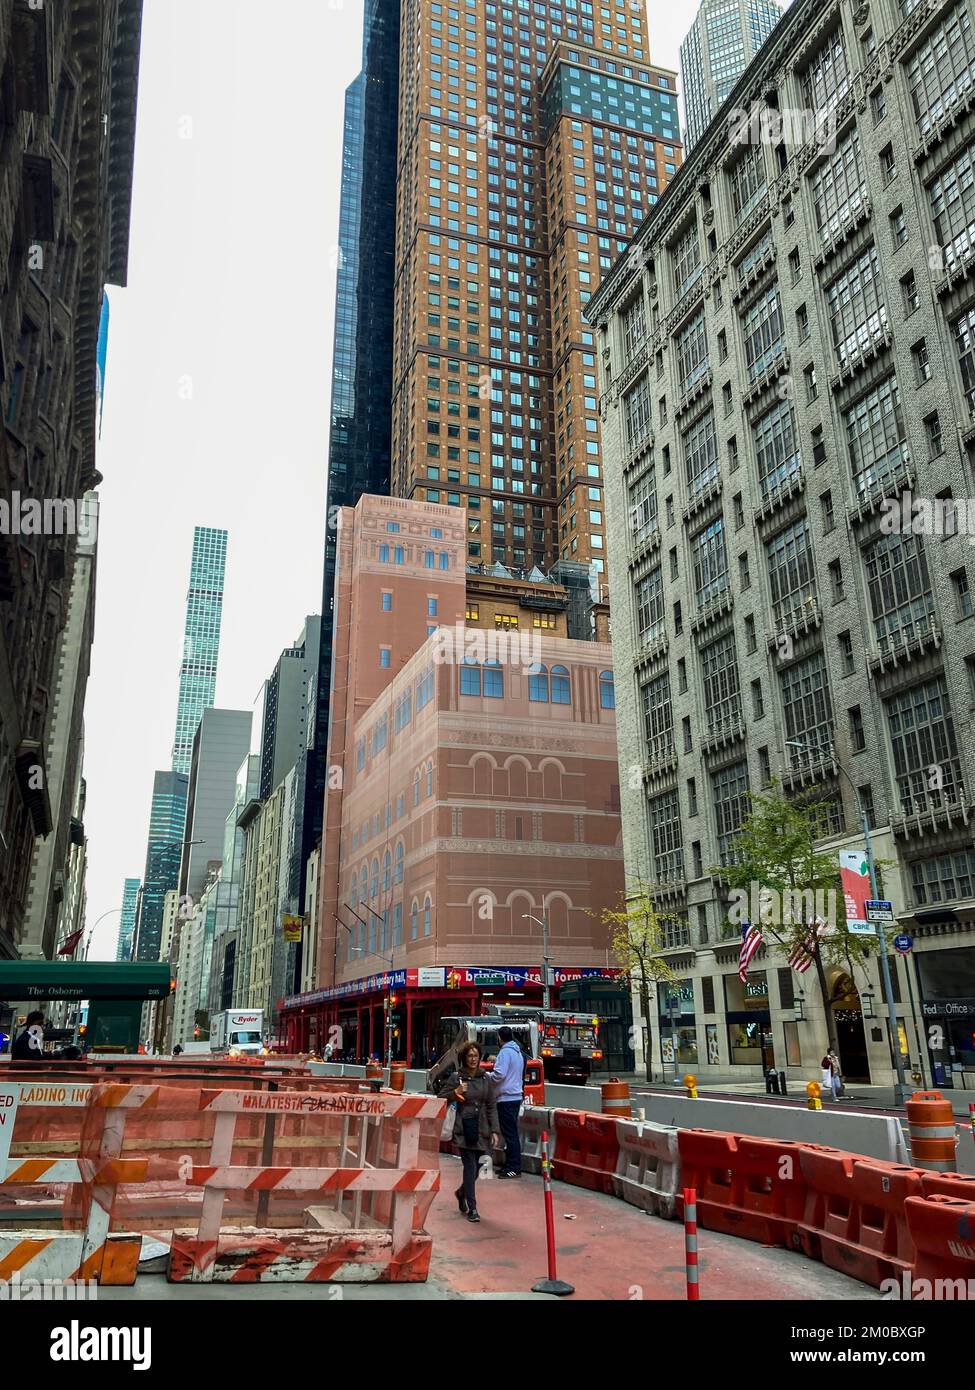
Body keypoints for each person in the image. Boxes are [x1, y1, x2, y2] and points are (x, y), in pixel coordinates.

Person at [434, 1041, 500, 1223]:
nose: (473, 1059)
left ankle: (462, 1192)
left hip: (482, 1128)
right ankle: (473, 1208)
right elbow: (440, 1099)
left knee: (481, 1165)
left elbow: (491, 1105)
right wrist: (456, 1092)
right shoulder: (457, 1078)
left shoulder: (485, 1078)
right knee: (469, 1167)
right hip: (464, 1128)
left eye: (476, 1056)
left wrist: (495, 1130)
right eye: (470, 1056)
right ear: (464, 1058)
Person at [489, 1025, 525, 1178]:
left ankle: (513, 1167)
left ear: (499, 1038)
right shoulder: (518, 1053)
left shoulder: (505, 1053)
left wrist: (487, 1076)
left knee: (510, 1134)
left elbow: (499, 1075)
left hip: (506, 1098)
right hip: (515, 1097)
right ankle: (511, 1164)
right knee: (511, 1133)